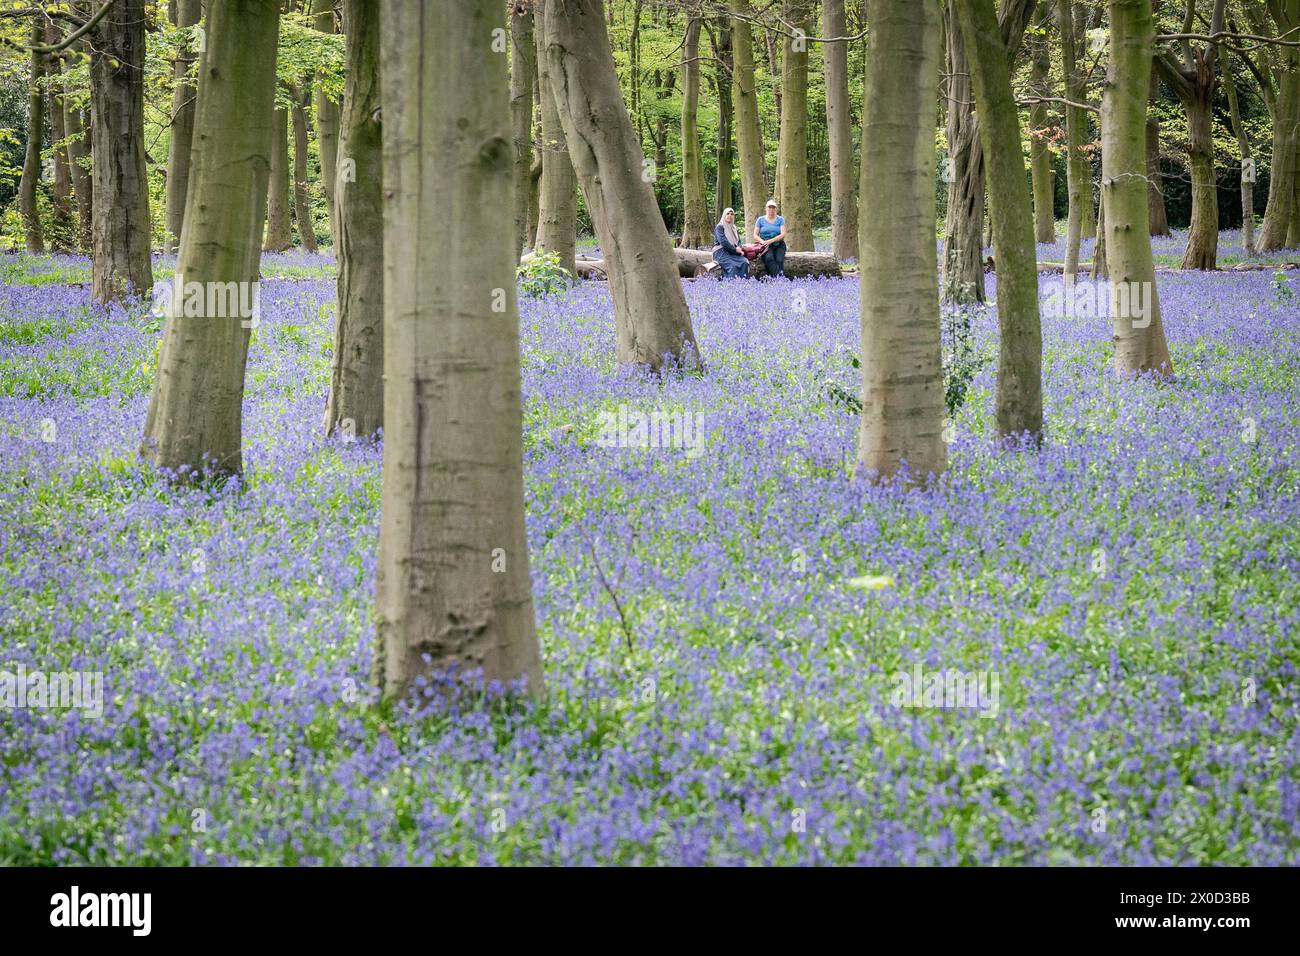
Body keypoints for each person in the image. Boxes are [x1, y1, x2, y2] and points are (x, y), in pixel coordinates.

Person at [753, 199, 788, 278]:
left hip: (779, 244)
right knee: (769, 258)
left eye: (773, 208)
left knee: (779, 259)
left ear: (776, 209)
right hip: (765, 245)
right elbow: (755, 235)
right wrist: (763, 242)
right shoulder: (760, 220)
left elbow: (783, 234)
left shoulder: (780, 219)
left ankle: (776, 279)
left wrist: (771, 241)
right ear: (766, 209)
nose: (771, 210)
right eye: (769, 207)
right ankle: (780, 279)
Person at [712, 208, 749, 279]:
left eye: (732, 214)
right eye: (728, 214)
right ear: (724, 215)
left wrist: (740, 249)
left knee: (744, 262)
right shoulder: (720, 227)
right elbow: (723, 242)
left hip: (732, 253)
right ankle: (730, 286)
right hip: (721, 253)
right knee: (733, 266)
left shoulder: (734, 228)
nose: (730, 216)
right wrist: (735, 250)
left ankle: (743, 285)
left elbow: (739, 242)